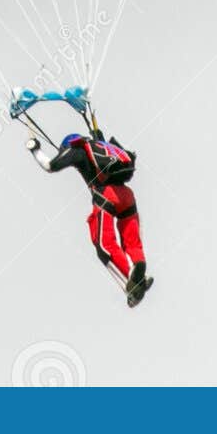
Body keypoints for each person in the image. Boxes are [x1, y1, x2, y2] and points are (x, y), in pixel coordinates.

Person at [26, 129, 153, 307]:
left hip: (107, 196)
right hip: (127, 196)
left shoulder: (76, 149)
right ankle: (138, 270)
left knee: (104, 245)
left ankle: (132, 277)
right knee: (132, 242)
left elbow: (49, 166)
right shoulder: (100, 146)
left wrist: (34, 149)